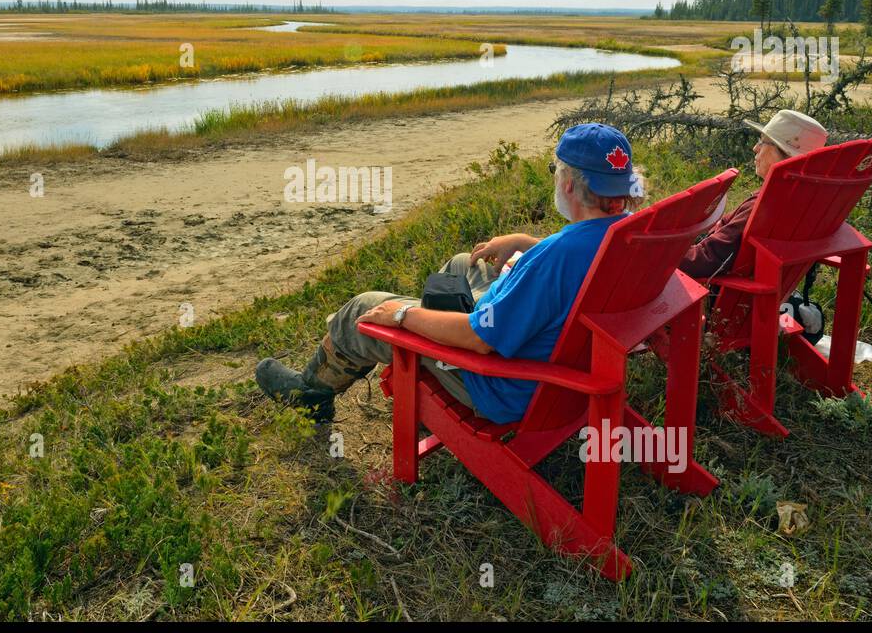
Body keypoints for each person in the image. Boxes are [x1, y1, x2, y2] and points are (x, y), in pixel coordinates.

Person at [254, 123, 644, 424]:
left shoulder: (556, 259)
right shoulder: (629, 233)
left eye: (556, 171)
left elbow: (479, 340)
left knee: (364, 309)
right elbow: (577, 257)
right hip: (556, 356)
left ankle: (309, 397)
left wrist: (404, 317)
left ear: (570, 184)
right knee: (463, 263)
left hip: (505, 382)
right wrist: (527, 241)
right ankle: (425, 355)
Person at [679, 109, 828, 282]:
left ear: (786, 155)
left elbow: (707, 259)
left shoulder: (766, 205)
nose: (755, 148)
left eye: (763, 142)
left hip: (728, 294)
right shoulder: (808, 201)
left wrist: (654, 256)